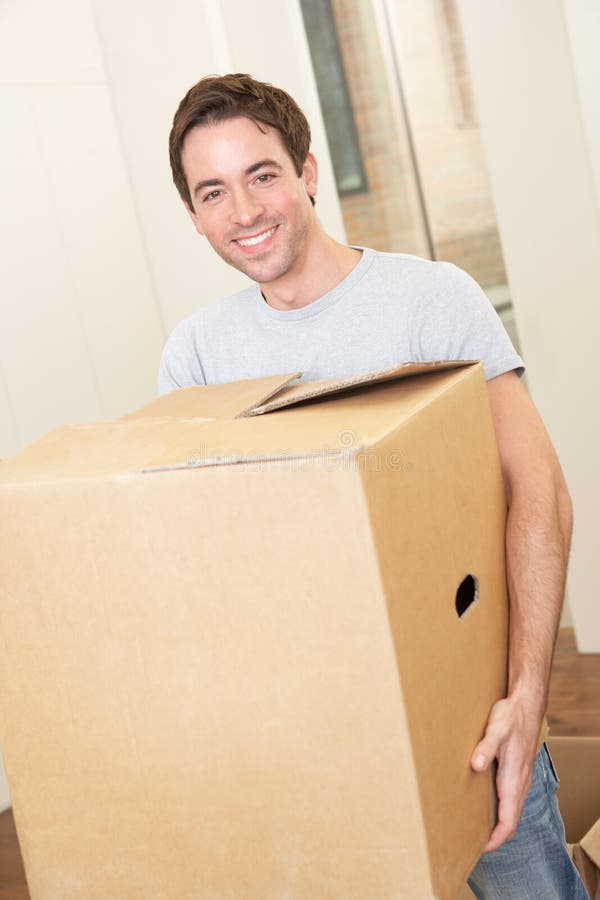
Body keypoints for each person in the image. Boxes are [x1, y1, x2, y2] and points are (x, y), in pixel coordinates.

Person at [159, 73, 584, 899]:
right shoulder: (197, 355)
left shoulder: (430, 301)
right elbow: (201, 561)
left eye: (263, 175)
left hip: (471, 724)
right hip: (315, 738)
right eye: (214, 191)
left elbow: (541, 494)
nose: (243, 212)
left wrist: (527, 698)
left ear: (308, 171)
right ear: (193, 214)